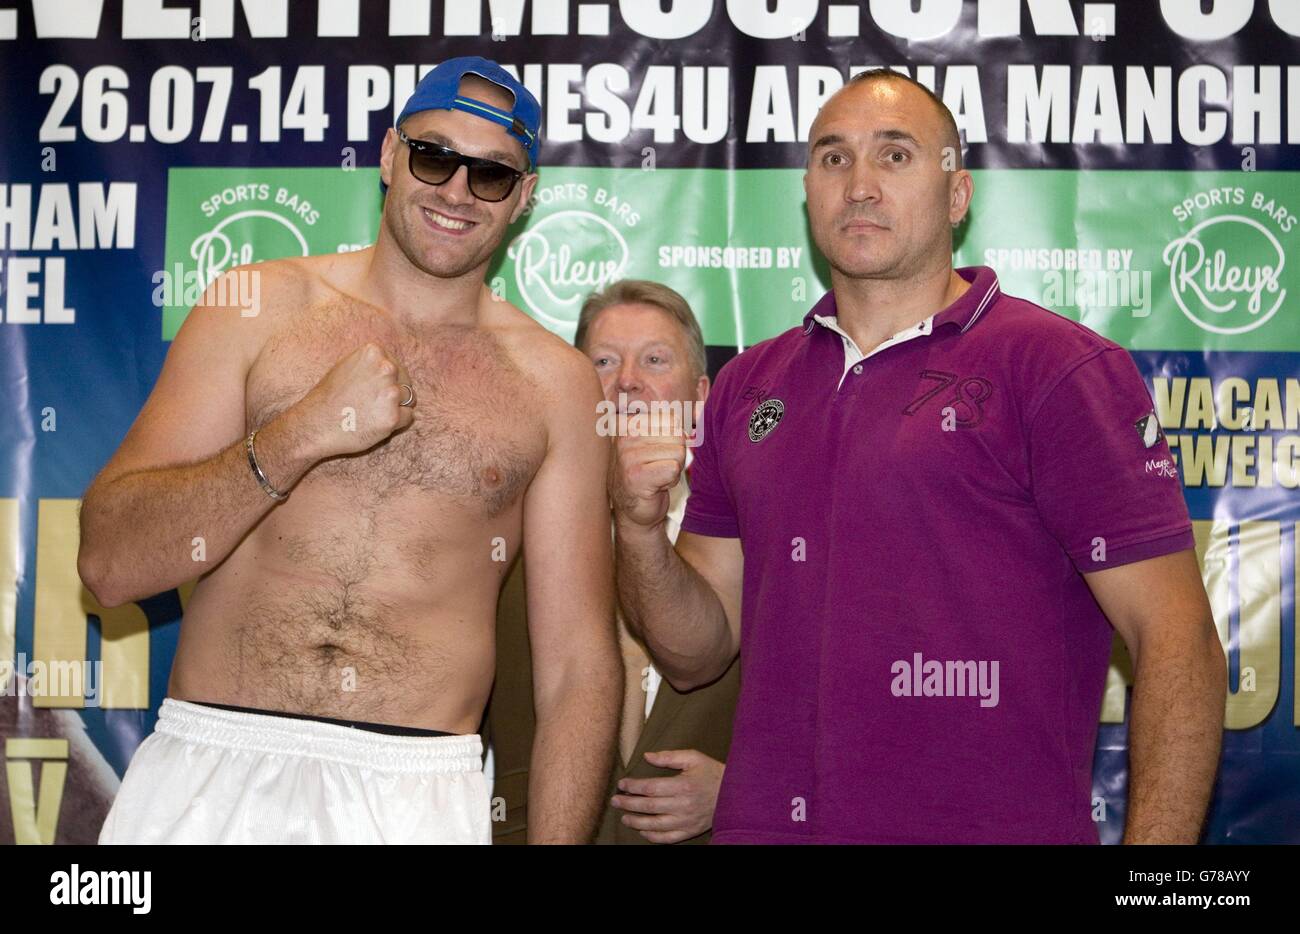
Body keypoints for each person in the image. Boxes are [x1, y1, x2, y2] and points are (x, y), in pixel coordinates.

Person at [609, 69, 1227, 844]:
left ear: (957, 194)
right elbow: (698, 654)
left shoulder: (1055, 368)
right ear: (807, 193)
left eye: (895, 156)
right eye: (834, 159)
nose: (860, 186)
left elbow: (1177, 640)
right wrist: (637, 534)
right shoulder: (748, 386)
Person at [79, 56, 620, 844]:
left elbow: (578, 668)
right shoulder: (253, 308)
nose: (457, 192)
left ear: (525, 199)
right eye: (434, 156)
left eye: (491, 175)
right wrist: (296, 436)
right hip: (210, 770)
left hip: (415, 797)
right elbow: (109, 564)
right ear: (388, 154)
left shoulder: (556, 385)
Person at [490, 281, 740, 844]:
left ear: (700, 394)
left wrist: (743, 789)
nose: (627, 380)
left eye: (654, 359)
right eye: (603, 361)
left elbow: (814, 698)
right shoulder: (504, 531)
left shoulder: (754, 535)